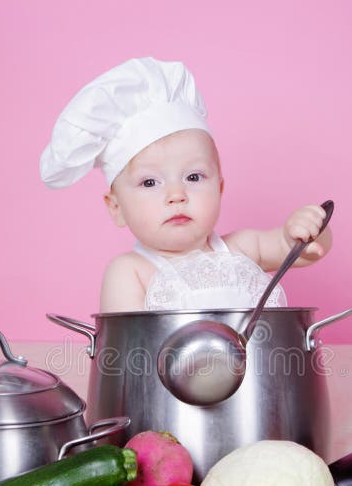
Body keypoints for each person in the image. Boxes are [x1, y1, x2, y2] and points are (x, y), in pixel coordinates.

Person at [40, 57, 332, 312]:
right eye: (150, 182)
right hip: (165, 378)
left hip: (256, 375)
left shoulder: (241, 250)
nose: (176, 195)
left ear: (219, 189)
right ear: (116, 207)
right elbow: (131, 348)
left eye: (193, 177)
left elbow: (298, 249)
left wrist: (306, 231)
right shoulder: (130, 272)